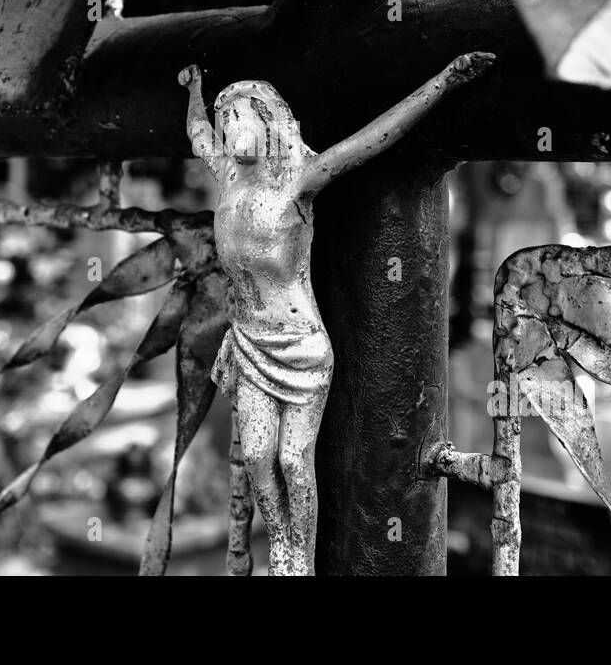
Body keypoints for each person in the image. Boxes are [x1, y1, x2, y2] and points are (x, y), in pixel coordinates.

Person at [178, 52, 494, 575]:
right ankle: (282, 544)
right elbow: (197, 135)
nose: (232, 128)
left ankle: (296, 559)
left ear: (270, 122)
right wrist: (194, 88)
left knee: (292, 461)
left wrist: (444, 81)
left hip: (300, 346)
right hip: (250, 339)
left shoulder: (298, 182)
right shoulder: (228, 181)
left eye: (244, 115)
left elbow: (372, 140)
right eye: (226, 118)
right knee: (257, 458)